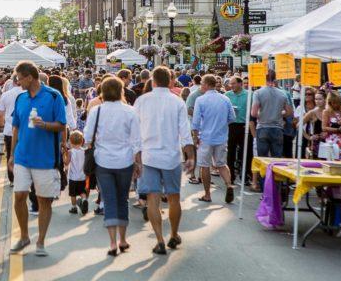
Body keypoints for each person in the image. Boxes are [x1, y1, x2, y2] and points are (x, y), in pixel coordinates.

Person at [134, 67, 195, 256]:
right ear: (170, 81)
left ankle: (159, 239)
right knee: (174, 197)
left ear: (153, 81)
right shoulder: (177, 102)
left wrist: (136, 157)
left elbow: (135, 131)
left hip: (149, 156)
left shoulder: (141, 101)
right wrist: (191, 155)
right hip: (171, 157)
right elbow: (185, 131)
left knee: (152, 198)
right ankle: (174, 234)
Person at [8, 61, 66, 257]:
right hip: (22, 157)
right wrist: (12, 153)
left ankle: (40, 241)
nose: (18, 82)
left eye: (19, 79)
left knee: (44, 201)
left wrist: (45, 125)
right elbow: (16, 127)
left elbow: (62, 125)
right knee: (19, 196)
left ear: (30, 77)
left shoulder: (54, 96)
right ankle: (24, 236)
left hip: (45, 158)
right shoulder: (20, 98)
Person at [84, 76, 141, 256]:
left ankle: (112, 243)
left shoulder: (97, 111)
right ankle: (123, 239)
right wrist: (138, 162)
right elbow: (137, 140)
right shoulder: (130, 111)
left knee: (109, 200)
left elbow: (87, 137)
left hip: (103, 161)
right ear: (121, 91)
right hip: (125, 161)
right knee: (122, 199)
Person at [191, 75, 236, 204]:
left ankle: (207, 194)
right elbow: (232, 117)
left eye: (202, 84)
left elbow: (196, 122)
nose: (201, 86)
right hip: (221, 136)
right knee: (221, 164)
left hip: (205, 137)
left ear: (206, 84)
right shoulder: (225, 99)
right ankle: (229, 185)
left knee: (204, 166)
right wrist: (222, 124)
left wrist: (195, 137)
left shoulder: (200, 100)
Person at [250, 70, 293, 158]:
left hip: (262, 127)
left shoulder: (258, 93)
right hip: (277, 128)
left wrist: (263, 114)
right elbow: (289, 112)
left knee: (262, 159)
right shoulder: (283, 93)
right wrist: (279, 114)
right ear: (275, 78)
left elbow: (253, 113)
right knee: (276, 159)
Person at [0, 75, 24, 184]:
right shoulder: (28, 93)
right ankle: (23, 178)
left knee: (10, 154)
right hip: (24, 130)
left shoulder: (6, 94)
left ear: (13, 82)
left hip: (9, 129)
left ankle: (12, 179)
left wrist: (2, 125)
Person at [64, 131, 88, 215]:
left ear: (70, 142)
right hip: (82, 176)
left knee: (73, 194)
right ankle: (84, 200)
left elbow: (67, 162)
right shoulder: (84, 151)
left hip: (73, 177)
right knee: (82, 192)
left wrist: (64, 157)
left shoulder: (70, 152)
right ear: (82, 141)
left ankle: (74, 208)